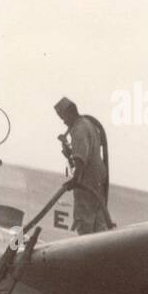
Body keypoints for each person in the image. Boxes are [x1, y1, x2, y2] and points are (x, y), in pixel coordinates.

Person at [55, 96, 112, 235]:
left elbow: (80, 158)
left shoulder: (78, 129)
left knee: (85, 225)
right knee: (99, 226)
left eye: (63, 117)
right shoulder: (88, 124)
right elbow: (87, 153)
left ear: (70, 113)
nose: (64, 122)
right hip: (99, 182)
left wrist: (75, 180)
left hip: (87, 183)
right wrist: (69, 152)